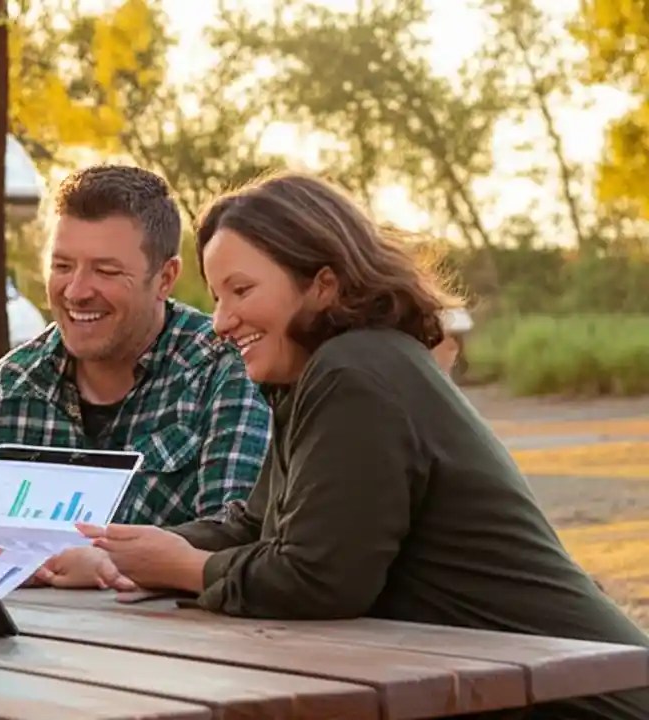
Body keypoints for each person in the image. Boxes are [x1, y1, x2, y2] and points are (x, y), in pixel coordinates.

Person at [71, 171, 649, 718]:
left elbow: (319, 580)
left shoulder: (357, 372)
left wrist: (191, 568)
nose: (220, 322)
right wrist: (117, 555)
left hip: (581, 698)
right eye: (217, 297)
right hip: (496, 689)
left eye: (241, 290)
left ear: (323, 284)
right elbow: (255, 525)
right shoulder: (315, 379)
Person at [0, 164, 272, 585]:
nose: (76, 291)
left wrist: (111, 561)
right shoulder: (12, 383)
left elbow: (238, 537)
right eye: (63, 266)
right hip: (12, 642)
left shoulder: (224, 371)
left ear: (165, 278)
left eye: (105, 271)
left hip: (167, 641)